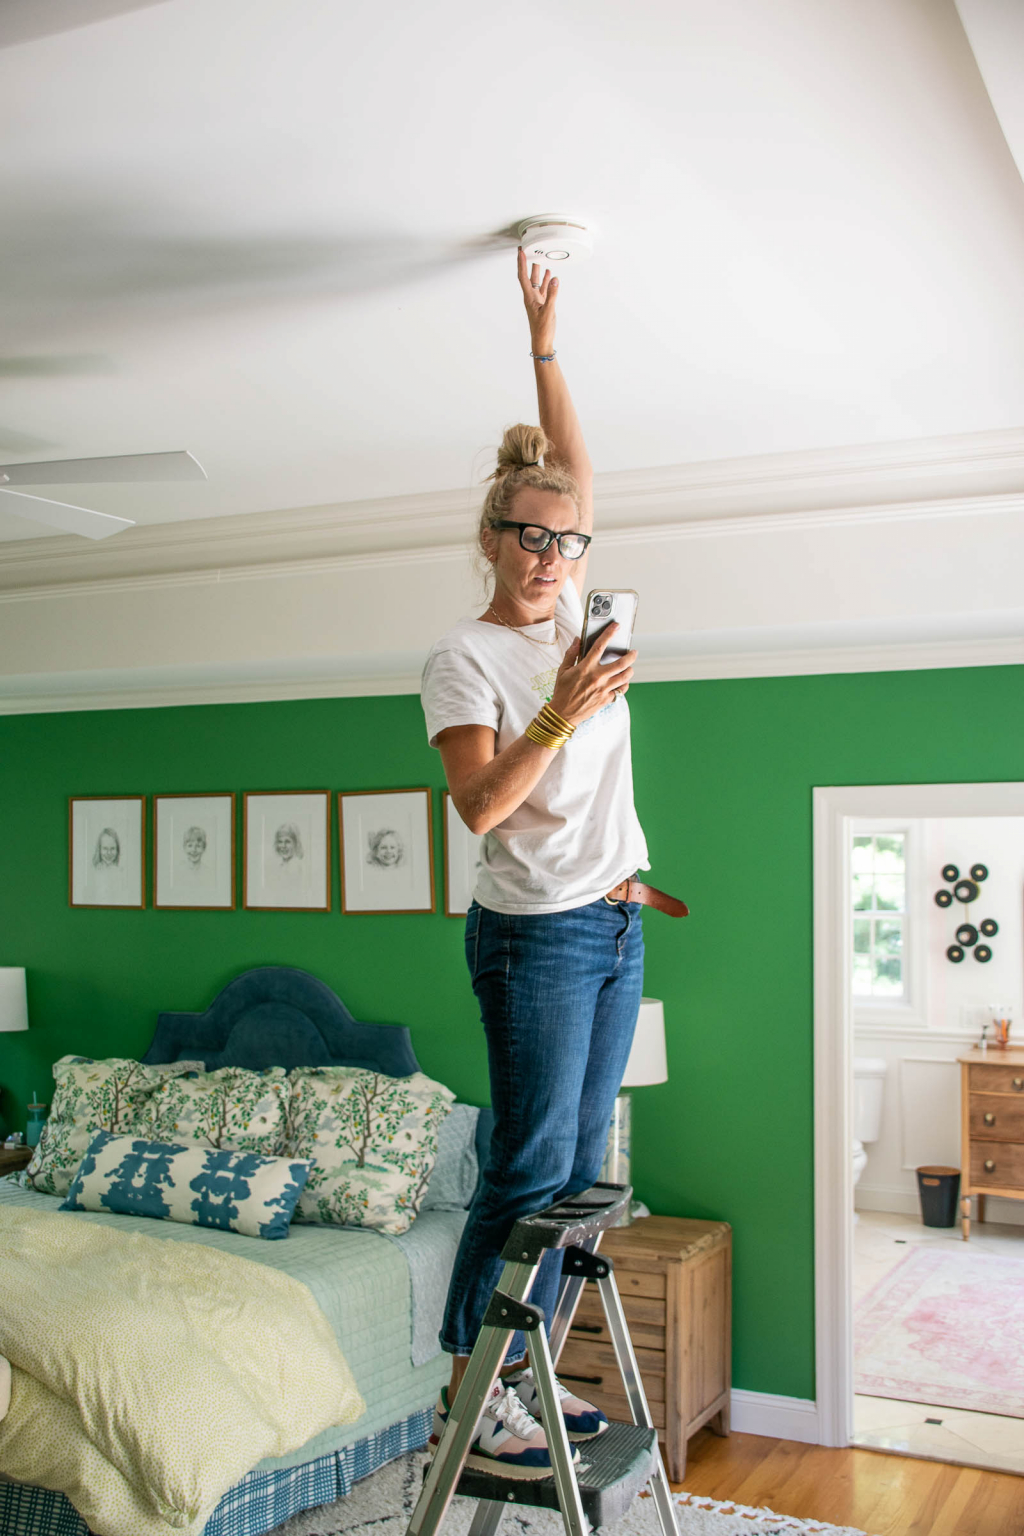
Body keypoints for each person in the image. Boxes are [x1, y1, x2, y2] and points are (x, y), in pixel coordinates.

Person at [420, 250, 648, 1478]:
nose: (553, 554)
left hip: (614, 923)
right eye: (531, 536)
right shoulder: (466, 659)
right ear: (493, 540)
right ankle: (471, 1384)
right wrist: (559, 711)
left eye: (567, 539)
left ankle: (528, 1373)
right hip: (536, 936)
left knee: (578, 1173)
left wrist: (545, 342)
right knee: (525, 1164)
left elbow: (575, 469)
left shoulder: (573, 617)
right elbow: (477, 808)